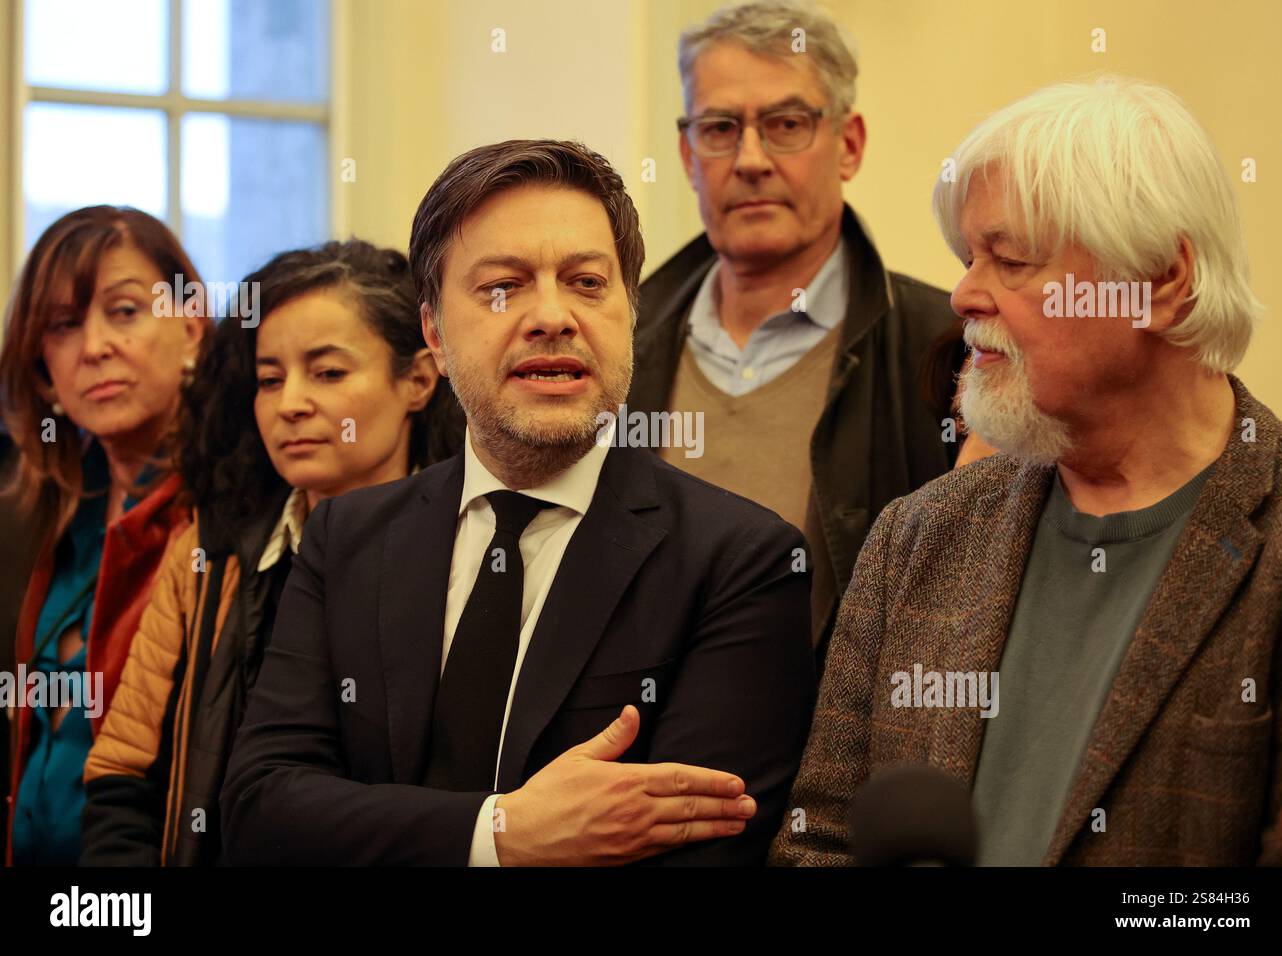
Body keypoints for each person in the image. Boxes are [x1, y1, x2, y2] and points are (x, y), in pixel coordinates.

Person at [221, 139, 816, 866]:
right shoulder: (348, 537)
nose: (552, 316)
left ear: (631, 313)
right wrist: (501, 834)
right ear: (434, 334)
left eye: (588, 283)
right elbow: (262, 809)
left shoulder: (739, 561)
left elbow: (700, 854)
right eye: (503, 287)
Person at [771, 77, 1282, 866]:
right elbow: (819, 843)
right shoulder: (916, 537)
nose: (962, 293)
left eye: (1010, 261)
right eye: (967, 257)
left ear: (1161, 281)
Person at [80, 240, 454, 865]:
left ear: (417, 379)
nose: (290, 404)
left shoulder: (470, 551)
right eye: (269, 380)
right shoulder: (208, 554)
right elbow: (123, 773)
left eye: (329, 373)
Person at [628, 1, 966, 651]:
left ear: (849, 144)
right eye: (720, 127)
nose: (750, 159)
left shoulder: (947, 348)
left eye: (785, 124)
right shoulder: (621, 346)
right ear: (688, 154)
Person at [0, 206, 208, 865]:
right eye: (63, 324)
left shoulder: (236, 508)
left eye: (123, 312)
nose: (93, 347)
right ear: (41, 360)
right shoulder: (35, 507)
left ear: (193, 324)